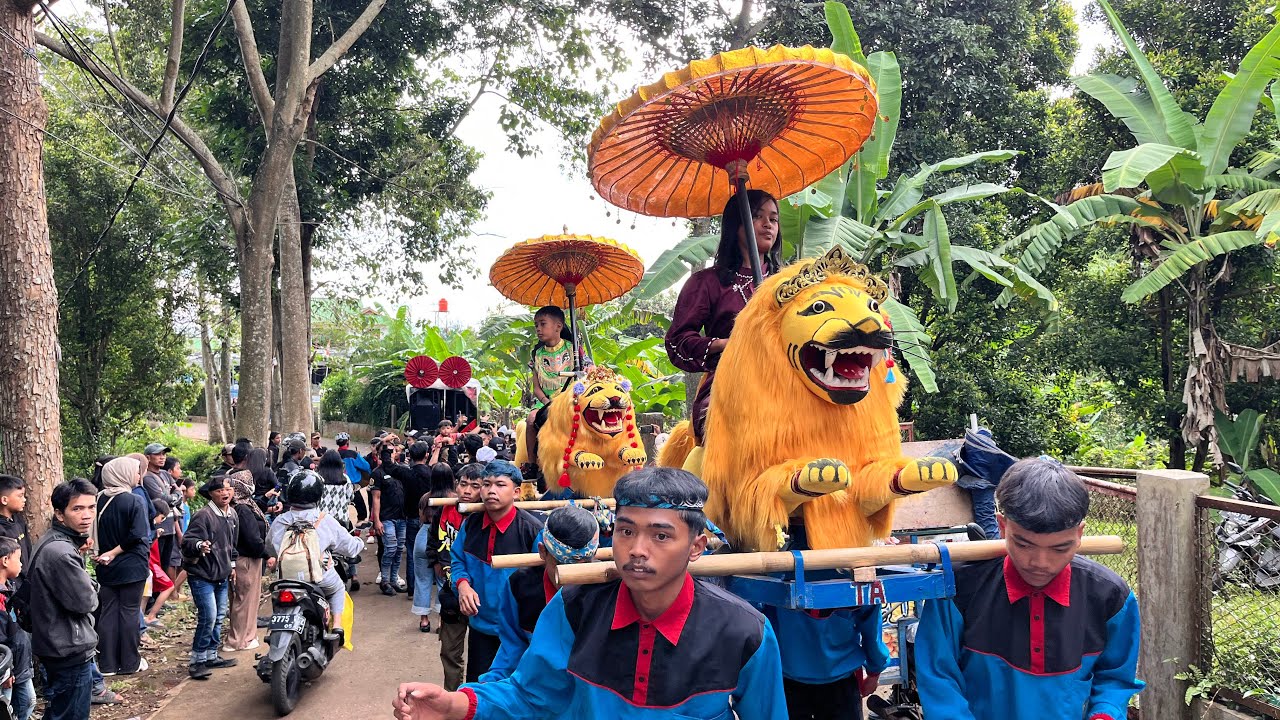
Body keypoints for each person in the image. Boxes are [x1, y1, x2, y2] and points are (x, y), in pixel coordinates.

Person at [394, 467, 786, 720]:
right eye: (626, 530)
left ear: (697, 546)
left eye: (661, 535)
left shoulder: (744, 631)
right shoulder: (574, 608)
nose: (637, 549)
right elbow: (530, 696)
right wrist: (455, 705)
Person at [915, 458, 1144, 720]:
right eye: (1024, 544)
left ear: (1080, 534)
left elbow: (1115, 678)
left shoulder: (1111, 597)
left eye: (1060, 548)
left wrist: (1105, 714)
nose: (1040, 563)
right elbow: (938, 678)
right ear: (1002, 526)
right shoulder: (956, 589)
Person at [665, 189, 781, 444]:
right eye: (757, 216)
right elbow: (677, 341)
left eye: (773, 219)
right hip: (729, 385)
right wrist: (723, 345)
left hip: (785, 383)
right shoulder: (706, 282)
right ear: (735, 223)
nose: (767, 225)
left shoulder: (789, 282)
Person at [479, 504, 600, 682]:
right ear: (542, 551)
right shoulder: (520, 586)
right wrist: (484, 691)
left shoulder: (607, 589)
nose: (573, 579)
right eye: (562, 567)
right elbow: (513, 650)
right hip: (538, 687)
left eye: (582, 567)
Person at [448, 461, 544, 682]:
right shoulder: (471, 524)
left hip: (520, 632)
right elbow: (457, 559)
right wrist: (462, 586)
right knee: (478, 688)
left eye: (500, 485)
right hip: (481, 626)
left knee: (515, 692)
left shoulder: (532, 531)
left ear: (517, 492)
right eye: (487, 484)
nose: (491, 491)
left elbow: (541, 584)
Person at [29, 480, 99, 720]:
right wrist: (92, 584)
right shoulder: (60, 553)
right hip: (67, 648)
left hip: (58, 643)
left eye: (91, 507)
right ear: (60, 514)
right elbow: (86, 602)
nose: (87, 515)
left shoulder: (57, 542)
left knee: (60, 711)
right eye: (77, 509)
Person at [268, 470, 364, 628]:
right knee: (338, 588)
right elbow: (350, 548)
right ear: (318, 495)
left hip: (286, 579)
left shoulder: (279, 521)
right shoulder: (324, 520)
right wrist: (359, 542)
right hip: (318, 579)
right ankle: (337, 626)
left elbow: (270, 548)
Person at [90, 456, 151, 676]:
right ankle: (129, 663)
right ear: (124, 474)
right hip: (131, 564)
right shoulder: (133, 500)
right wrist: (115, 552)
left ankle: (106, 665)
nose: (138, 475)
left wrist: (106, 554)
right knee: (129, 612)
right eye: (135, 472)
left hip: (105, 565)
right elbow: (137, 535)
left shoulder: (98, 499)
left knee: (108, 611)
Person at [426, 464, 483, 690]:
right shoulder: (444, 510)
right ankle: (452, 696)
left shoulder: (487, 516)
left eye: (475, 485)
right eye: (463, 484)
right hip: (451, 593)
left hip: (481, 597)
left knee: (482, 657)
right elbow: (432, 540)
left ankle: (475, 699)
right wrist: (437, 564)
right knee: (449, 651)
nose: (467, 490)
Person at [181, 476, 239, 680]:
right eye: (220, 490)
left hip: (222, 574)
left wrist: (232, 566)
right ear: (211, 494)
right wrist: (199, 545)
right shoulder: (203, 515)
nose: (225, 493)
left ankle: (211, 655)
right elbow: (188, 541)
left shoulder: (232, 515)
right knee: (209, 616)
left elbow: (233, 545)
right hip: (202, 575)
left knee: (219, 616)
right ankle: (197, 660)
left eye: (228, 489)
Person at [521, 306, 589, 478]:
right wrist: (547, 402)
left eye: (543, 324)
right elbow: (536, 388)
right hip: (546, 401)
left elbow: (589, 367)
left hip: (571, 398)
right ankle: (532, 464)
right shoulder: (536, 354)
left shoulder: (574, 348)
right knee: (530, 420)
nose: (538, 328)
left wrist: (589, 367)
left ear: (558, 327)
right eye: (536, 325)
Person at [225, 471, 271, 652]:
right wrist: (267, 554)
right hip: (247, 560)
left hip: (244, 559)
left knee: (243, 599)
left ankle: (243, 636)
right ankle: (240, 640)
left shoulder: (243, 505)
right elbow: (252, 538)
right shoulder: (242, 509)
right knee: (245, 600)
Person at [412, 463, 455, 630]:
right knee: (444, 580)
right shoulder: (454, 497)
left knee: (422, 580)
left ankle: (424, 620)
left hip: (423, 536)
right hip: (444, 537)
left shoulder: (425, 497)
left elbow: (421, 518)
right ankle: (440, 619)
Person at [0, 537, 32, 720]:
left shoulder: (11, 588)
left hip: (20, 662)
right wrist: (6, 670)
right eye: (18, 559)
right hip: (6, 668)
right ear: (5, 561)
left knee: (29, 701)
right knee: (6, 709)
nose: (21, 564)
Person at [372, 443, 410, 595]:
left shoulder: (401, 470)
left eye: (393, 450)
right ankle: (385, 580)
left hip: (401, 516)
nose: (391, 453)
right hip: (386, 518)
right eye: (387, 451)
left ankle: (393, 580)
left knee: (399, 549)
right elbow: (376, 498)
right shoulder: (378, 473)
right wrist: (376, 521)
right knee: (390, 548)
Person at [402, 443, 435, 600]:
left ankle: (412, 589)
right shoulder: (431, 473)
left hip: (411, 518)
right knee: (434, 551)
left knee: (412, 553)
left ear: (410, 456)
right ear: (426, 455)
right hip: (430, 519)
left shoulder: (406, 474)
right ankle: (434, 583)